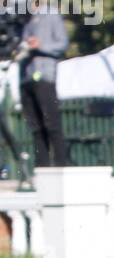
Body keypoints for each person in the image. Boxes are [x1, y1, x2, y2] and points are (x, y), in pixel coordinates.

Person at [19, 9, 69, 168]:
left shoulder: (51, 15)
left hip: (45, 76)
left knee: (52, 124)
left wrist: (41, 45)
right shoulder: (25, 20)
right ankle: (42, 167)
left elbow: (62, 43)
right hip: (26, 78)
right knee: (35, 127)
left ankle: (61, 165)